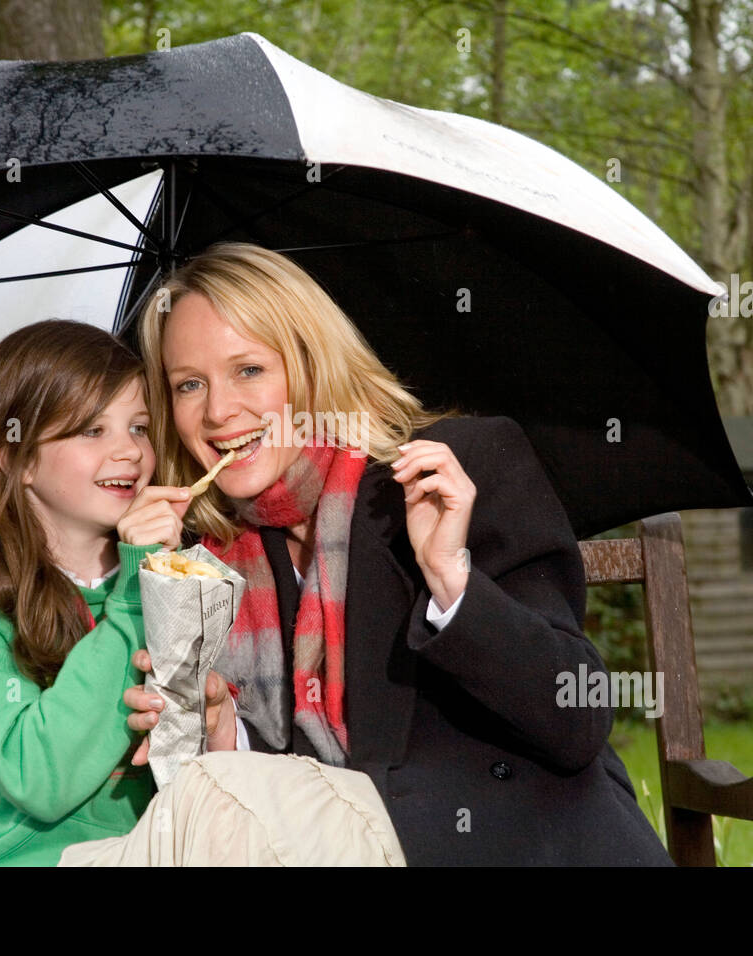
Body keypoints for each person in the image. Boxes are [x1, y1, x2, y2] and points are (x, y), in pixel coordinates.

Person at [126, 242, 673, 865]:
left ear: (311, 365)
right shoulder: (205, 559)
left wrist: (451, 581)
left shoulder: (450, 472)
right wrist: (225, 728)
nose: (218, 411)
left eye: (248, 369)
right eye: (189, 384)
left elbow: (576, 720)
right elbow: (279, 792)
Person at [0, 319, 195, 866]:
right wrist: (140, 594)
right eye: (93, 430)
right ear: (15, 457)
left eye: (139, 428)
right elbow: (38, 777)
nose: (130, 452)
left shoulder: (174, 563)